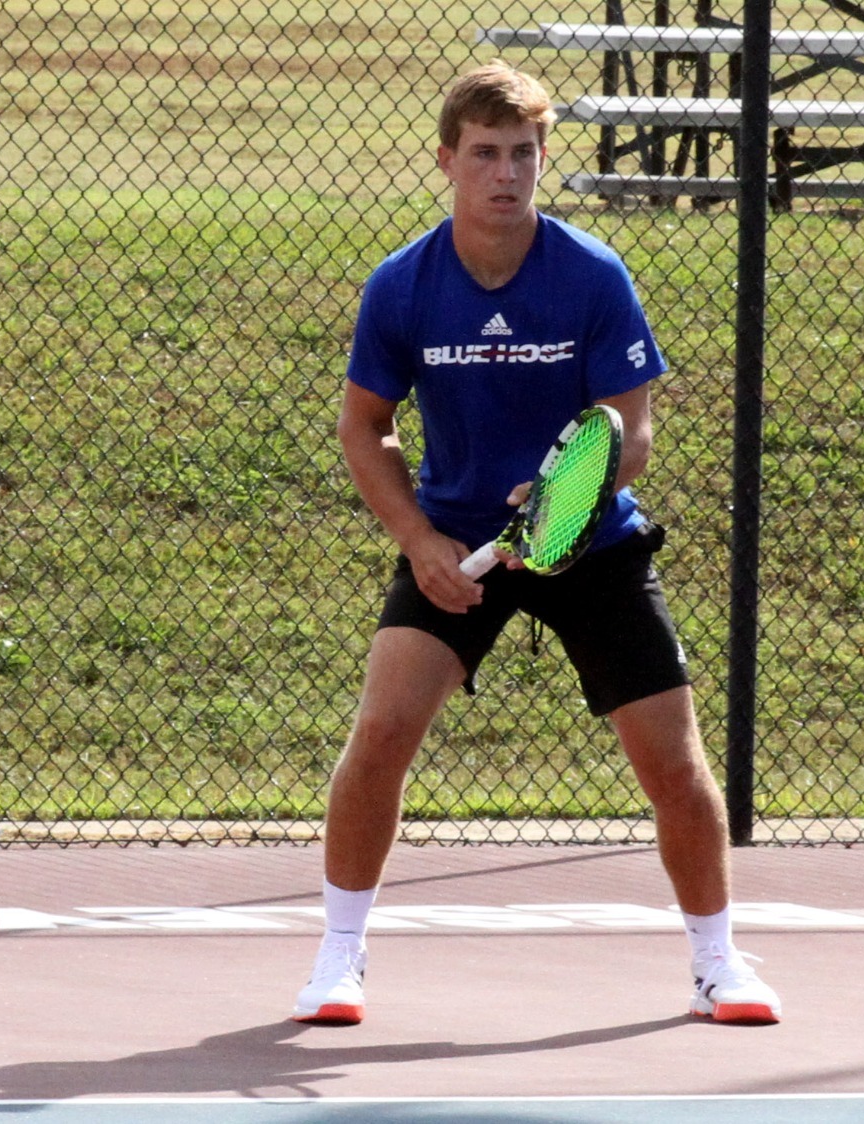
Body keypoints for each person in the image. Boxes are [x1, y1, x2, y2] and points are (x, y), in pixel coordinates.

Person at [291, 61, 781, 1027]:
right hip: (460, 542)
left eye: (523, 153)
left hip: (591, 547)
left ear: (542, 158)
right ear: (448, 161)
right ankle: (337, 961)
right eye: (485, 154)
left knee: (674, 766)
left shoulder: (592, 274)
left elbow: (629, 432)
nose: (506, 174)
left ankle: (719, 964)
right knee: (382, 734)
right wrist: (421, 538)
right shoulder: (403, 286)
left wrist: (571, 492)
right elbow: (366, 427)